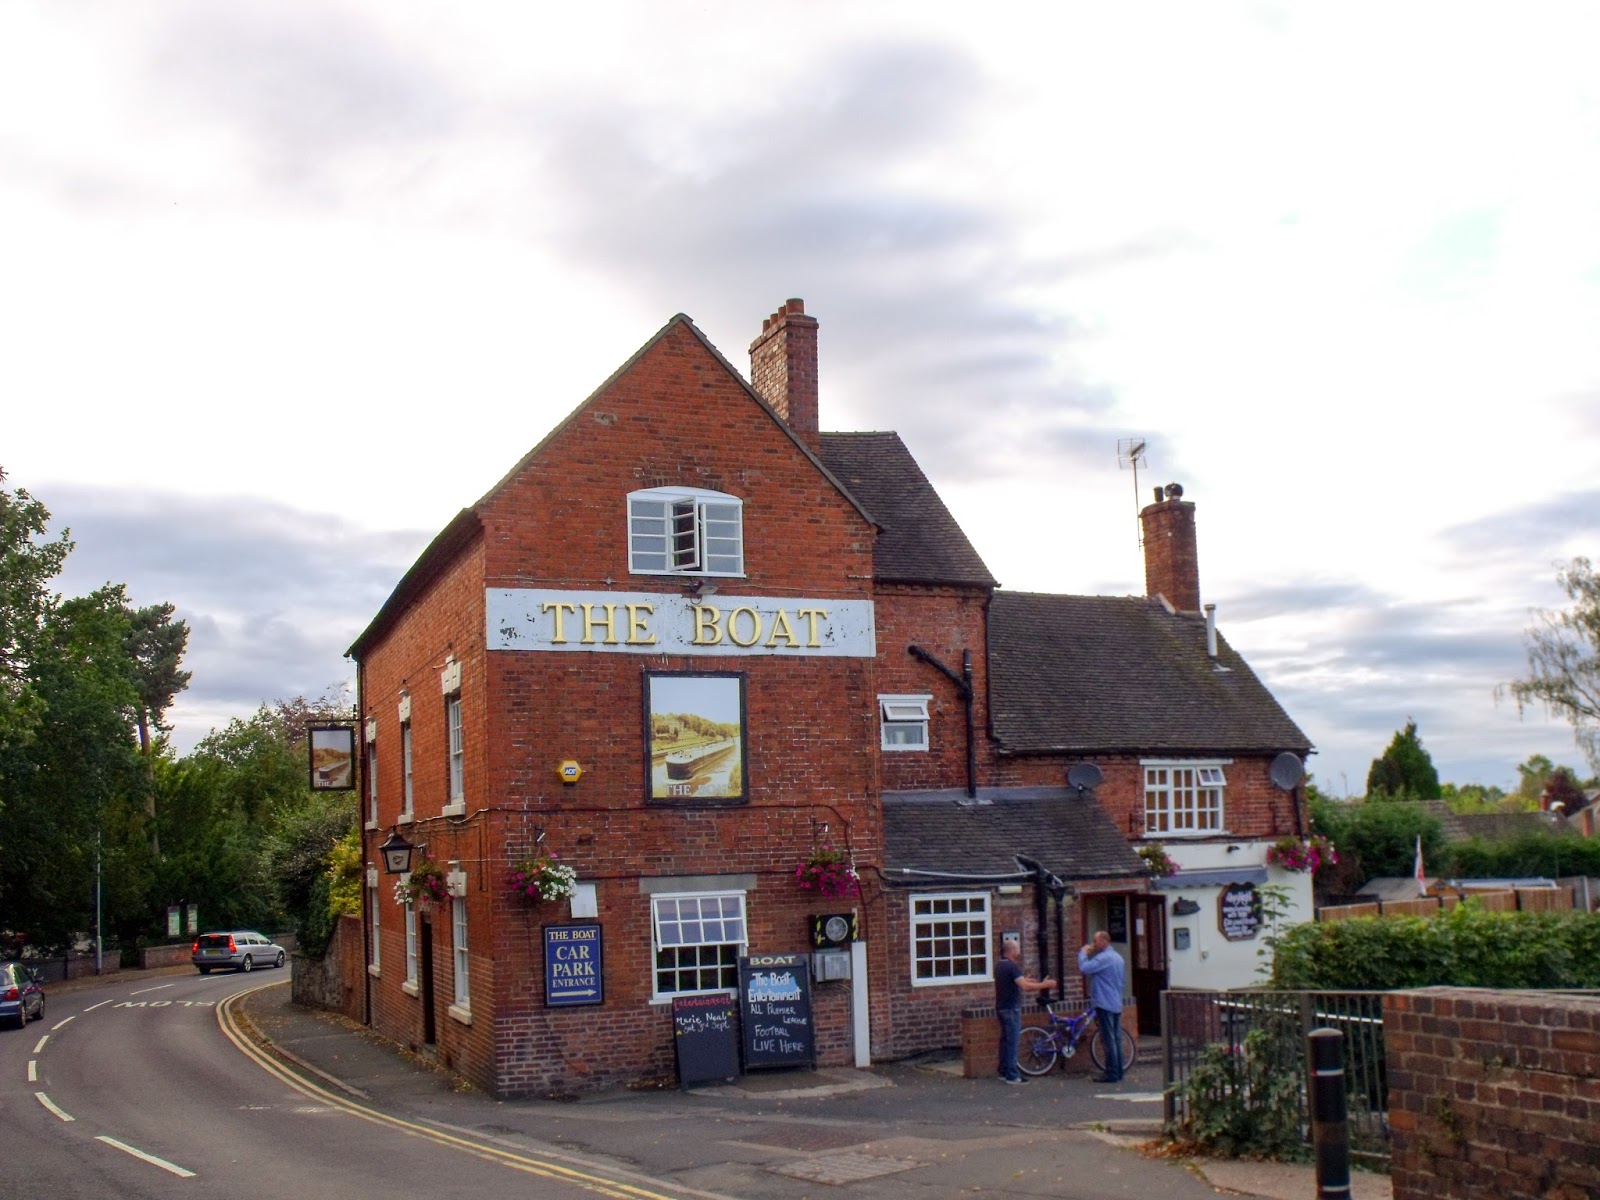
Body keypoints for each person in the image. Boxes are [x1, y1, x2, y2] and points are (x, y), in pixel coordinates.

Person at [994, 938, 1055, 1084]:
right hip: (1011, 1008)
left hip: (1001, 1007)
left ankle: (1003, 1070)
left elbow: (1017, 982)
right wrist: (1044, 984)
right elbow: (1025, 987)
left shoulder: (999, 965)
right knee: (1013, 1041)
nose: (1019, 951)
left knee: (1005, 1040)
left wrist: (1026, 979)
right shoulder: (1012, 966)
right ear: (1012, 951)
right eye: (1017, 948)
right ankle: (1012, 1075)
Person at [1078, 930, 1127, 1083]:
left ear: (1104, 941)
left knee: (1108, 1039)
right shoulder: (1118, 958)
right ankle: (1119, 1071)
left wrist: (1082, 953)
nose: (1093, 944)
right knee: (1117, 1039)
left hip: (1104, 1002)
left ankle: (1111, 1072)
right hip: (1116, 1002)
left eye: (1095, 941)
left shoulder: (1104, 958)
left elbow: (1085, 968)